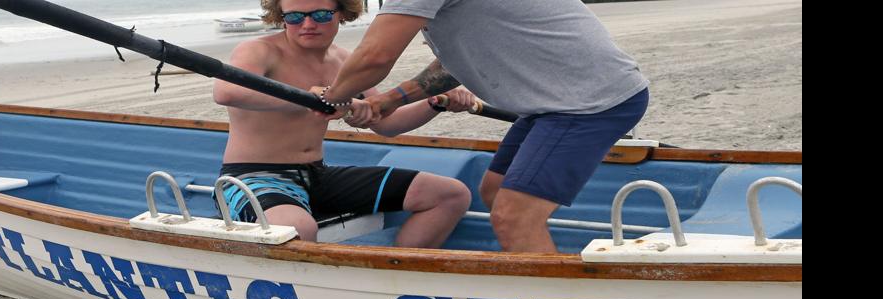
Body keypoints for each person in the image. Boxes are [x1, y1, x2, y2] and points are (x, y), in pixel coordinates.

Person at [322, 0, 650, 253]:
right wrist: (389, 100)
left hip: (587, 101)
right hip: (554, 102)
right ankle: (536, 262)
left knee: (513, 216)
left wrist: (331, 99)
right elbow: (453, 65)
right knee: (494, 190)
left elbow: (375, 55)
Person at [211, 0, 478, 246]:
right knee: (297, 228)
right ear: (280, 17)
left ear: (342, 14)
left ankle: (393, 277)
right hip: (251, 177)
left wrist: (434, 102)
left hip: (317, 175)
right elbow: (227, 92)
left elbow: (387, 123)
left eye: (321, 14)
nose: (307, 24)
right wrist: (313, 98)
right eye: (294, 17)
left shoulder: (344, 61)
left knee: (449, 195)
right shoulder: (259, 50)